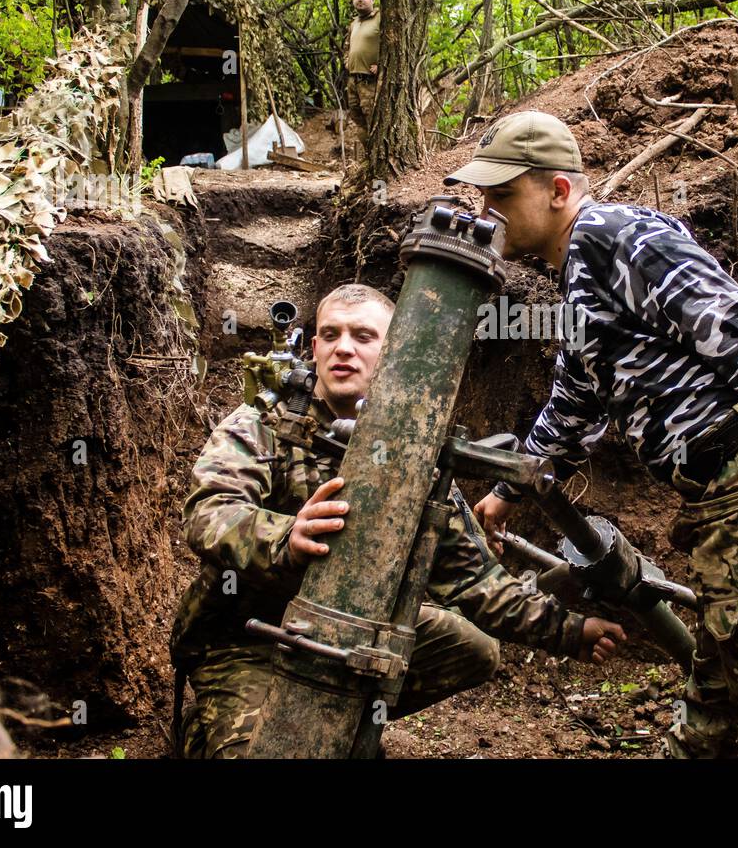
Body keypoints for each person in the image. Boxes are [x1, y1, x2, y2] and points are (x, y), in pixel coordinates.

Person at [445, 110, 738, 759]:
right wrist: (508, 495)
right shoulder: (579, 276)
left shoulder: (622, 238)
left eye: (503, 195)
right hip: (723, 502)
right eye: (484, 197)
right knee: (722, 692)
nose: (489, 212)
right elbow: (576, 398)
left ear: (559, 191)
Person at [170, 282, 625, 758]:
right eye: (331, 335)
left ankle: (338, 725)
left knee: (473, 647)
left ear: (393, 353)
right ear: (313, 346)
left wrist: (569, 631)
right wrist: (287, 537)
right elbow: (210, 512)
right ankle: (204, 734)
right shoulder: (262, 423)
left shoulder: (412, 447)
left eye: (363, 336)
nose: (344, 348)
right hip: (247, 636)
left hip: (352, 629)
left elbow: (471, 578)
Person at [342, 0, 380, 154]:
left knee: (374, 122)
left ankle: (377, 159)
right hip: (353, 81)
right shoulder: (354, 23)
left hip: (370, 82)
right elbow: (347, 46)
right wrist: (347, 62)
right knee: (358, 121)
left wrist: (382, 64)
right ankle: (368, 157)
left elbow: (393, 45)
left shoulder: (380, 17)